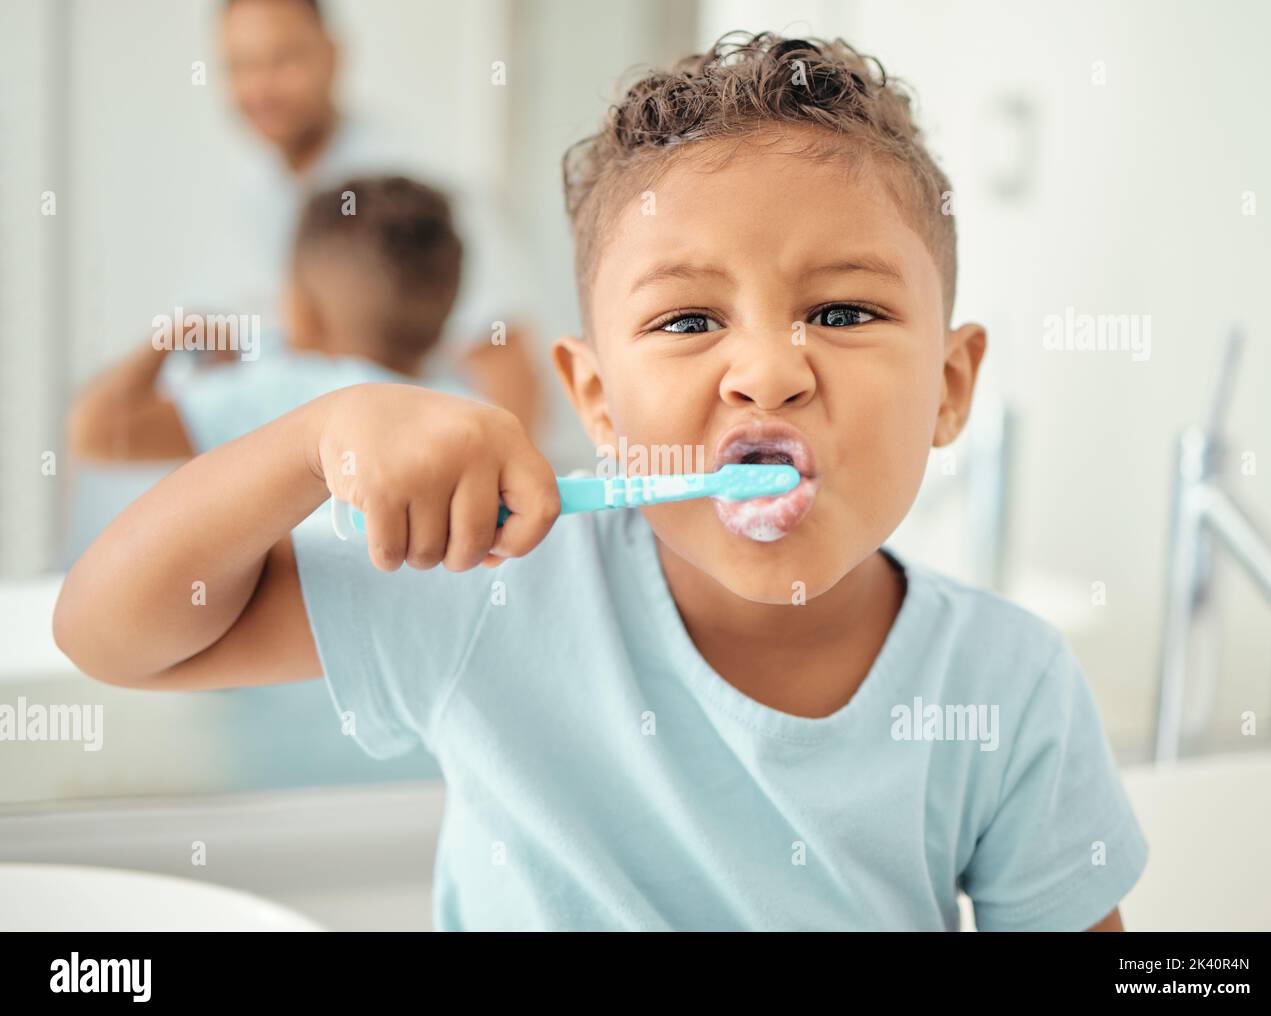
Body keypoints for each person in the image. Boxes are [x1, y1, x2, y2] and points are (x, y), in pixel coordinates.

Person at [55, 32, 1147, 931]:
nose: (767, 371)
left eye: (843, 311)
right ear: (595, 403)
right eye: (686, 321)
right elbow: (108, 631)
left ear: (951, 386)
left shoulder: (1007, 685)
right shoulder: (496, 584)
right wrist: (313, 438)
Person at [204, 0, 540, 433]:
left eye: (282, 60)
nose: (260, 88)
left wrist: (500, 490)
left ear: (333, 56)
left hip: (435, 466)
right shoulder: (259, 192)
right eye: (240, 65)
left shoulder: (412, 184)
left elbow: (503, 353)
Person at [68, 175, 469, 461]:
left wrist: (176, 333)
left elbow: (93, 431)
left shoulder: (281, 395)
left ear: (303, 311)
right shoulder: (464, 409)